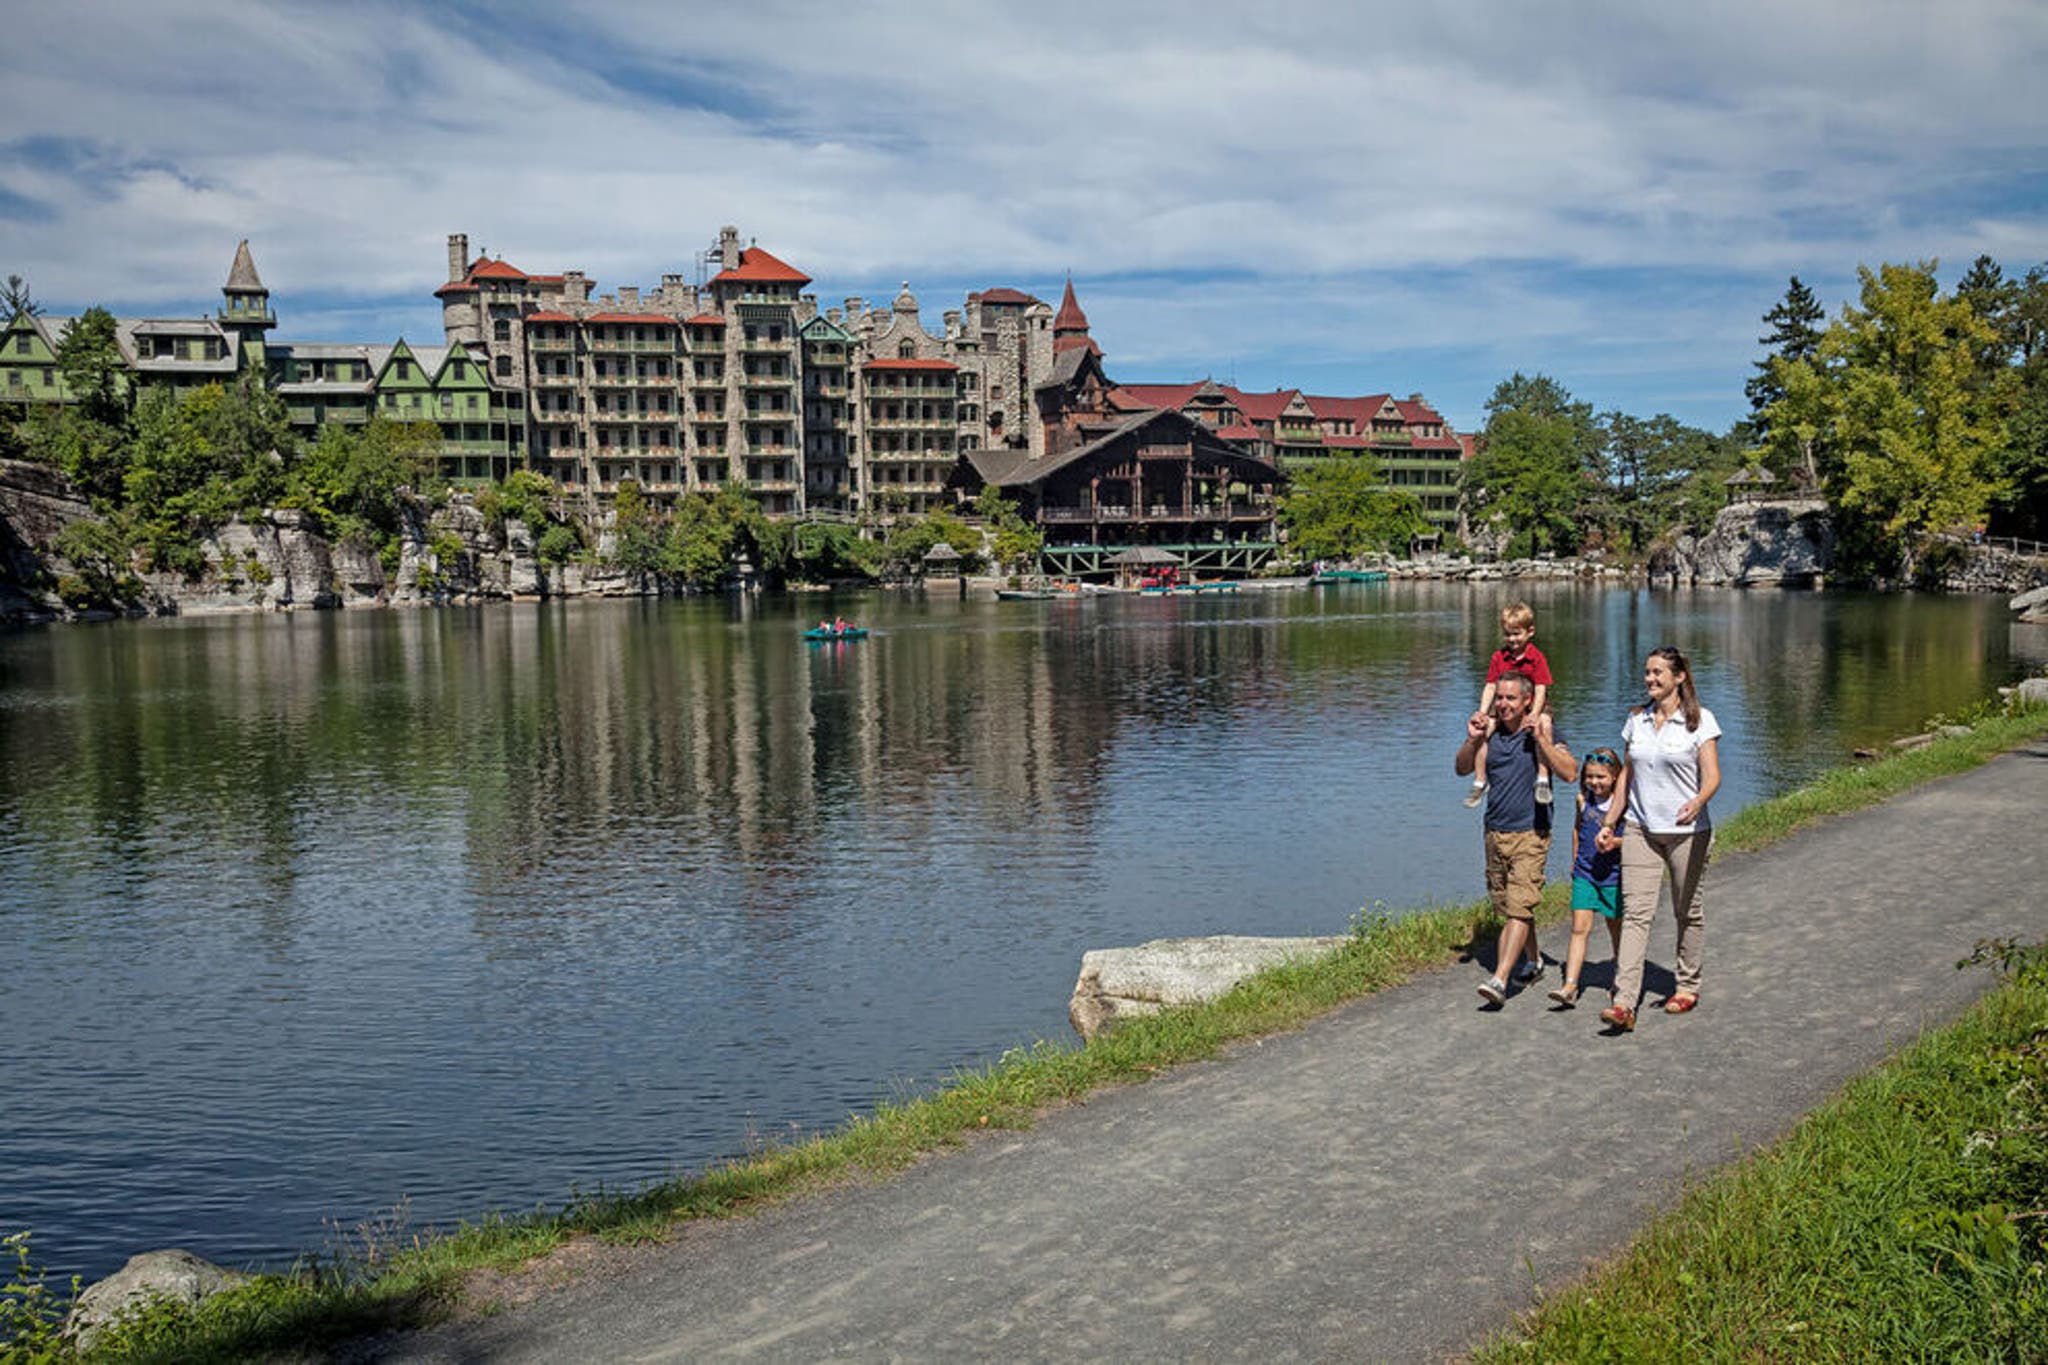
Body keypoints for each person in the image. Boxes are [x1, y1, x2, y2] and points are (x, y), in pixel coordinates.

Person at [1596, 646, 1721, 1032]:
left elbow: (1713, 776)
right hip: (1640, 829)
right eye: (1647, 673)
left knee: (1687, 910)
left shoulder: (1699, 722)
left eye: (1657, 673)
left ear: (1679, 677)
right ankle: (1624, 1001)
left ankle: (1686, 985)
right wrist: (1610, 821)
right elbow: (1626, 780)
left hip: (1688, 833)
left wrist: (1698, 800)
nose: (1650, 679)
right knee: (1635, 914)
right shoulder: (1637, 721)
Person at [1454, 670, 1578, 1005]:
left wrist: (1542, 742)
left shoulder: (1545, 731)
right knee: (1509, 906)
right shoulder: (1489, 732)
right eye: (1500, 697)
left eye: (1511, 698)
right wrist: (1472, 739)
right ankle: (1534, 960)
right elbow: (1461, 768)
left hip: (1532, 832)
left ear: (1527, 701)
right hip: (1495, 832)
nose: (1503, 704)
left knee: (1519, 907)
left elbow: (1569, 772)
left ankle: (1500, 979)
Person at [1548, 748, 1625, 1007]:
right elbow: (1577, 828)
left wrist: (1616, 842)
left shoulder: (1623, 804)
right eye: (1590, 776)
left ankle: (1622, 977)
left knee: (1616, 927)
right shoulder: (1583, 799)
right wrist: (1574, 859)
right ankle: (1570, 984)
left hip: (1614, 874)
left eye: (1601, 777)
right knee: (1579, 928)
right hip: (1585, 872)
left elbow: (1636, 838)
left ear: (1615, 777)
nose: (1595, 782)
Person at [1465, 602, 1556, 809]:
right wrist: (1483, 711)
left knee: (1545, 723)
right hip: (1504, 707)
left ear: (1529, 632)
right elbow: (1490, 686)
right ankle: (1480, 781)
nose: (1512, 640)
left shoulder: (1536, 658)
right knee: (1482, 730)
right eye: (1507, 635)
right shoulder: (1499, 657)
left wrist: (1534, 713)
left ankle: (1542, 778)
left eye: (1516, 634)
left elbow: (1541, 688)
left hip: (1534, 705)